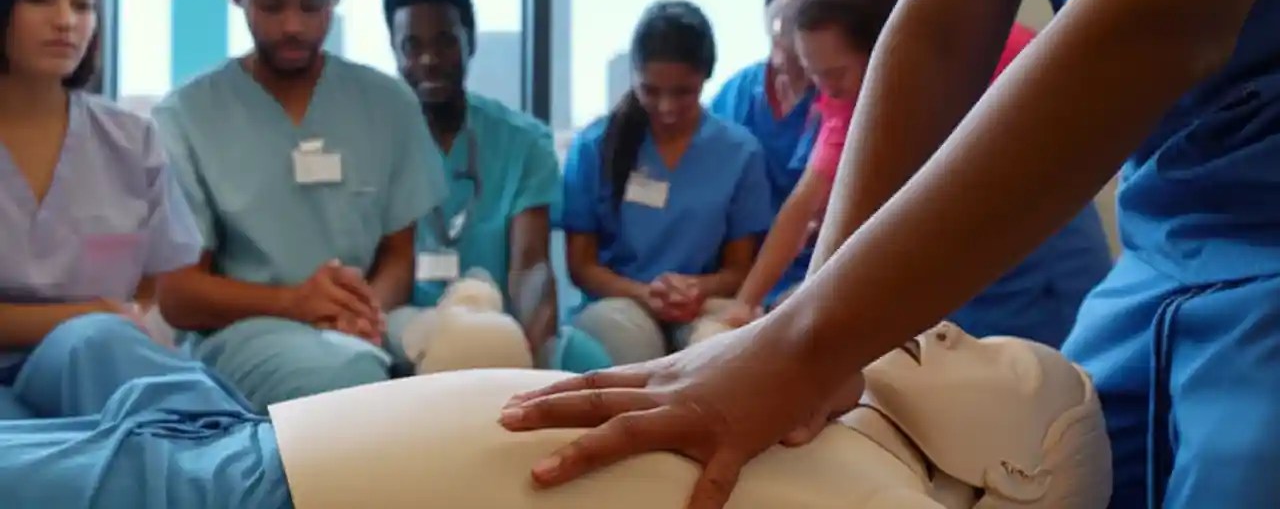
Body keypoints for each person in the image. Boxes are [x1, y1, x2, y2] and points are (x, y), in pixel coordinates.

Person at [497, 0, 1280, 508]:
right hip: (1163, 249)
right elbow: (937, 28)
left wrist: (805, 342)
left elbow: (1163, 7)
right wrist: (820, 346)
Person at [1, 320, 1109, 509]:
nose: (952, 332)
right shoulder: (806, 414)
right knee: (87, 349)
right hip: (243, 448)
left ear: (1014, 475)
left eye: (995, 360)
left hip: (245, 489)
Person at [723, 0, 1112, 350]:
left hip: (1038, 229)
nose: (826, 89)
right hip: (959, 256)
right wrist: (746, 304)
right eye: (814, 75)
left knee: (1063, 375)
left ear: (881, 48)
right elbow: (809, 199)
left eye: (835, 73)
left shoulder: (984, 56)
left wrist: (808, 303)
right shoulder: (847, 96)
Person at [152, 0, 447, 411]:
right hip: (249, 330)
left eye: (313, 6)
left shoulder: (387, 104)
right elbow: (180, 295)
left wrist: (362, 312)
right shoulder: (186, 117)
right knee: (344, 375)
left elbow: (399, 256)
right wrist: (297, 303)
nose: (293, 26)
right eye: (271, 6)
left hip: (372, 315)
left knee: (480, 351)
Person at [0, 0, 204, 421]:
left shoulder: (129, 141)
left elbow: (155, 279)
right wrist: (86, 315)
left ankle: (265, 461)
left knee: (110, 369)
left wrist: (99, 323)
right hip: (74, 355)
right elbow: (106, 317)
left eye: (84, 3)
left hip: (99, 365)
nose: (67, 20)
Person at [560, 0, 773, 366]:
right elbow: (582, 266)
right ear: (634, 75)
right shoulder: (595, 146)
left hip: (700, 303)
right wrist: (643, 293)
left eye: (683, 92)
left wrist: (697, 289)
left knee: (722, 346)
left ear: (706, 78)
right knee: (630, 344)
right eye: (651, 90)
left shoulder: (739, 153)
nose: (667, 107)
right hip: (619, 304)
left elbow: (740, 268)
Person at [382, 0, 562, 364]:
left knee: (592, 359)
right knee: (456, 344)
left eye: (445, 41)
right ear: (395, 52)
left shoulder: (523, 143)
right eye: (412, 45)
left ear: (471, 42)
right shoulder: (375, 141)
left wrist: (537, 349)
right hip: (406, 323)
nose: (429, 58)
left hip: (501, 321)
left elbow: (531, 264)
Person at [707, 0, 828, 309]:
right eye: (774, 33)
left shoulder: (844, 101)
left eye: (791, 31)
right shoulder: (736, 97)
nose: (781, 53)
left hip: (820, 278)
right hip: (740, 277)